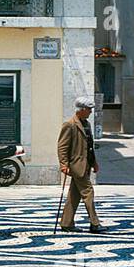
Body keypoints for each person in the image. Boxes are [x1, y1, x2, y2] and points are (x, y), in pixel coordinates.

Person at [58, 95, 106, 234]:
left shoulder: (86, 124)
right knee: (88, 192)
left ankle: (66, 223)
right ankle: (94, 223)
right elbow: (62, 146)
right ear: (81, 109)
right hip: (76, 165)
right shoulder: (70, 125)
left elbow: (90, 146)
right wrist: (64, 164)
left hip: (86, 165)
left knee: (74, 195)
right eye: (89, 109)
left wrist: (94, 162)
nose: (90, 112)